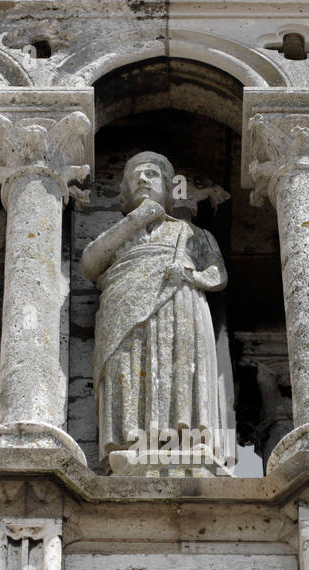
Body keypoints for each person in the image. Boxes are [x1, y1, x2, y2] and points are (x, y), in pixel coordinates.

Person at [81, 151, 230, 473]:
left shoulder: (192, 234)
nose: (142, 180)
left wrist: (191, 276)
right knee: (128, 365)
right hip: (121, 308)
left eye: (151, 174)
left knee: (177, 363)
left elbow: (218, 273)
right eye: (134, 176)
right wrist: (138, 218)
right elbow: (91, 263)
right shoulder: (122, 231)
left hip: (178, 304)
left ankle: (184, 440)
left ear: (168, 186)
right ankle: (130, 441)